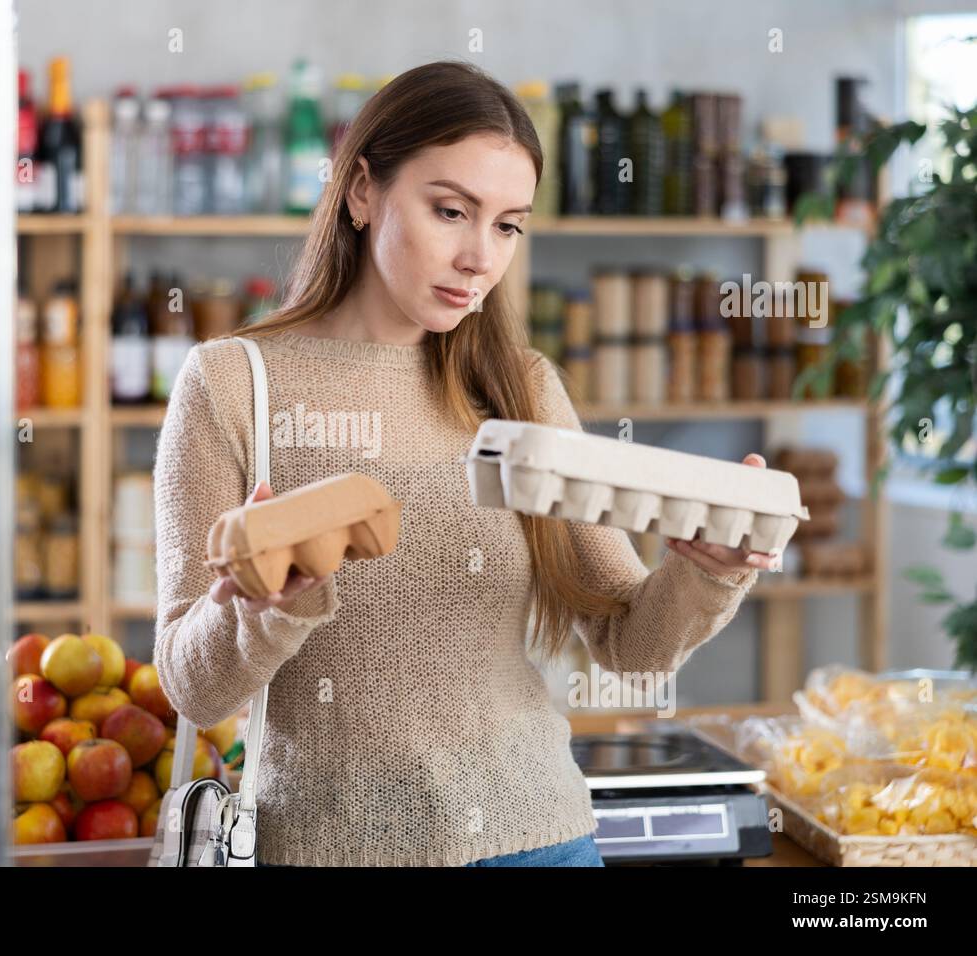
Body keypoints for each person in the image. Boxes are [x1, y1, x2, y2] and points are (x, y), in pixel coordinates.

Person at [152, 60, 775, 867]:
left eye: (508, 225)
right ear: (363, 190)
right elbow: (193, 689)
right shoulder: (234, 384)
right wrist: (260, 605)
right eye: (451, 211)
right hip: (327, 849)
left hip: (541, 840)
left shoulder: (522, 389)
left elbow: (629, 643)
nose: (481, 257)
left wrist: (706, 570)